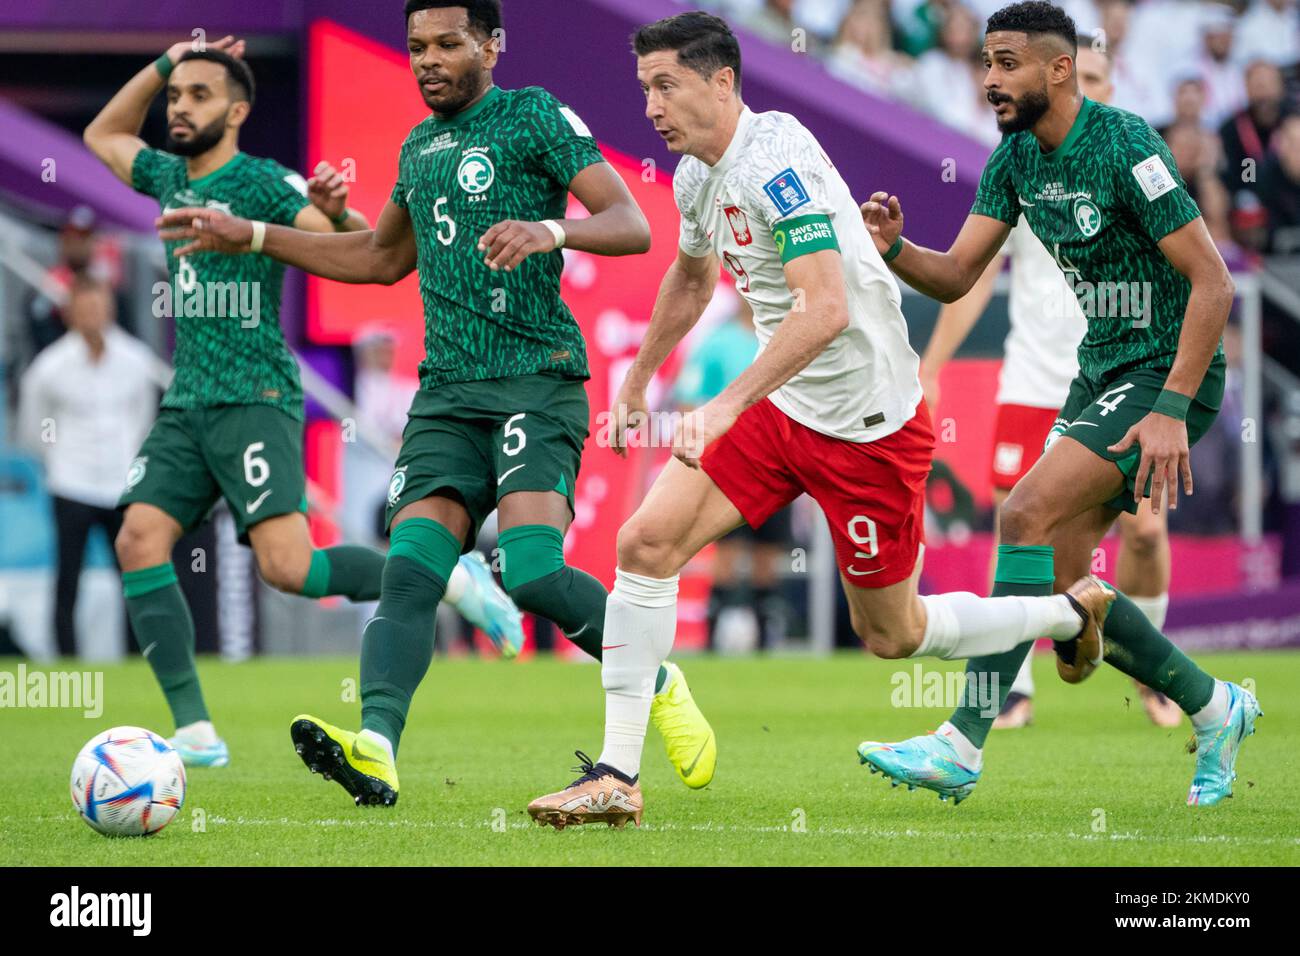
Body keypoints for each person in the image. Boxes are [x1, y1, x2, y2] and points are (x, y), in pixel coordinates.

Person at [526, 10, 1116, 829]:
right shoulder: (698, 175)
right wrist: (636, 379)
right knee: (643, 544)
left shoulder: (776, 160)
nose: (652, 107)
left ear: (721, 82)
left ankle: (1066, 611)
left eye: (666, 85)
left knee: (894, 634)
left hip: (868, 423)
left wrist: (723, 405)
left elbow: (827, 307)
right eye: (644, 89)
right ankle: (618, 777)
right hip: (782, 407)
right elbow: (692, 281)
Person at [156, 0, 717, 808]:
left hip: (536, 379)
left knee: (529, 572)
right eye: (416, 46)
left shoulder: (532, 117)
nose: (428, 59)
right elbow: (381, 258)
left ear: (491, 45)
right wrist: (250, 234)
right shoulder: (418, 145)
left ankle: (657, 680)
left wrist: (547, 231)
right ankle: (377, 746)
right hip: (447, 398)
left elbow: (630, 224)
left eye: (448, 43)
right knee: (413, 571)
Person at [856, 1, 1259, 807]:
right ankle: (1218, 707)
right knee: (1071, 594)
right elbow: (958, 275)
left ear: (1059, 69)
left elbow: (1213, 282)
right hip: (1100, 373)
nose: (991, 78)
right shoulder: (1012, 160)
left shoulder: (1124, 144)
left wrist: (1173, 408)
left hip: (1168, 372)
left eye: (1007, 63)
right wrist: (894, 248)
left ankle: (961, 741)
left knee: (1023, 514)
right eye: (987, 63)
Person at [84, 34, 520, 768]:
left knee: (288, 569)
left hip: (257, 397)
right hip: (188, 402)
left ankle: (448, 576)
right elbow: (101, 134)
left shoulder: (262, 184)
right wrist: (165, 60)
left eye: (199, 94)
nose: (181, 107)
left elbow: (365, 255)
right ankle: (194, 730)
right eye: (175, 96)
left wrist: (341, 214)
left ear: (239, 109)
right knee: (138, 539)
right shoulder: (167, 177)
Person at [920, 39, 1180, 729]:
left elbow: (1189, 275)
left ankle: (1154, 674)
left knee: (1147, 533)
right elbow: (968, 279)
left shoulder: (1130, 161)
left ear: (1102, 84)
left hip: (1121, 377)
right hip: (1032, 378)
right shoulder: (1021, 164)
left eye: (1097, 77)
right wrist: (932, 364)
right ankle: (1016, 685)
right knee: (1020, 526)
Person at [17, 278, 165, 657]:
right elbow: (34, 428)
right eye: (84, 309)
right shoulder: (50, 367)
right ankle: (68, 659)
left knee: (133, 578)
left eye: (98, 308)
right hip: (71, 484)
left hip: (120, 484)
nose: (92, 316)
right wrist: (59, 461)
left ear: (110, 310)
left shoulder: (134, 360)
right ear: (69, 315)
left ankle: (138, 659)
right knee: (68, 580)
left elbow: (143, 420)